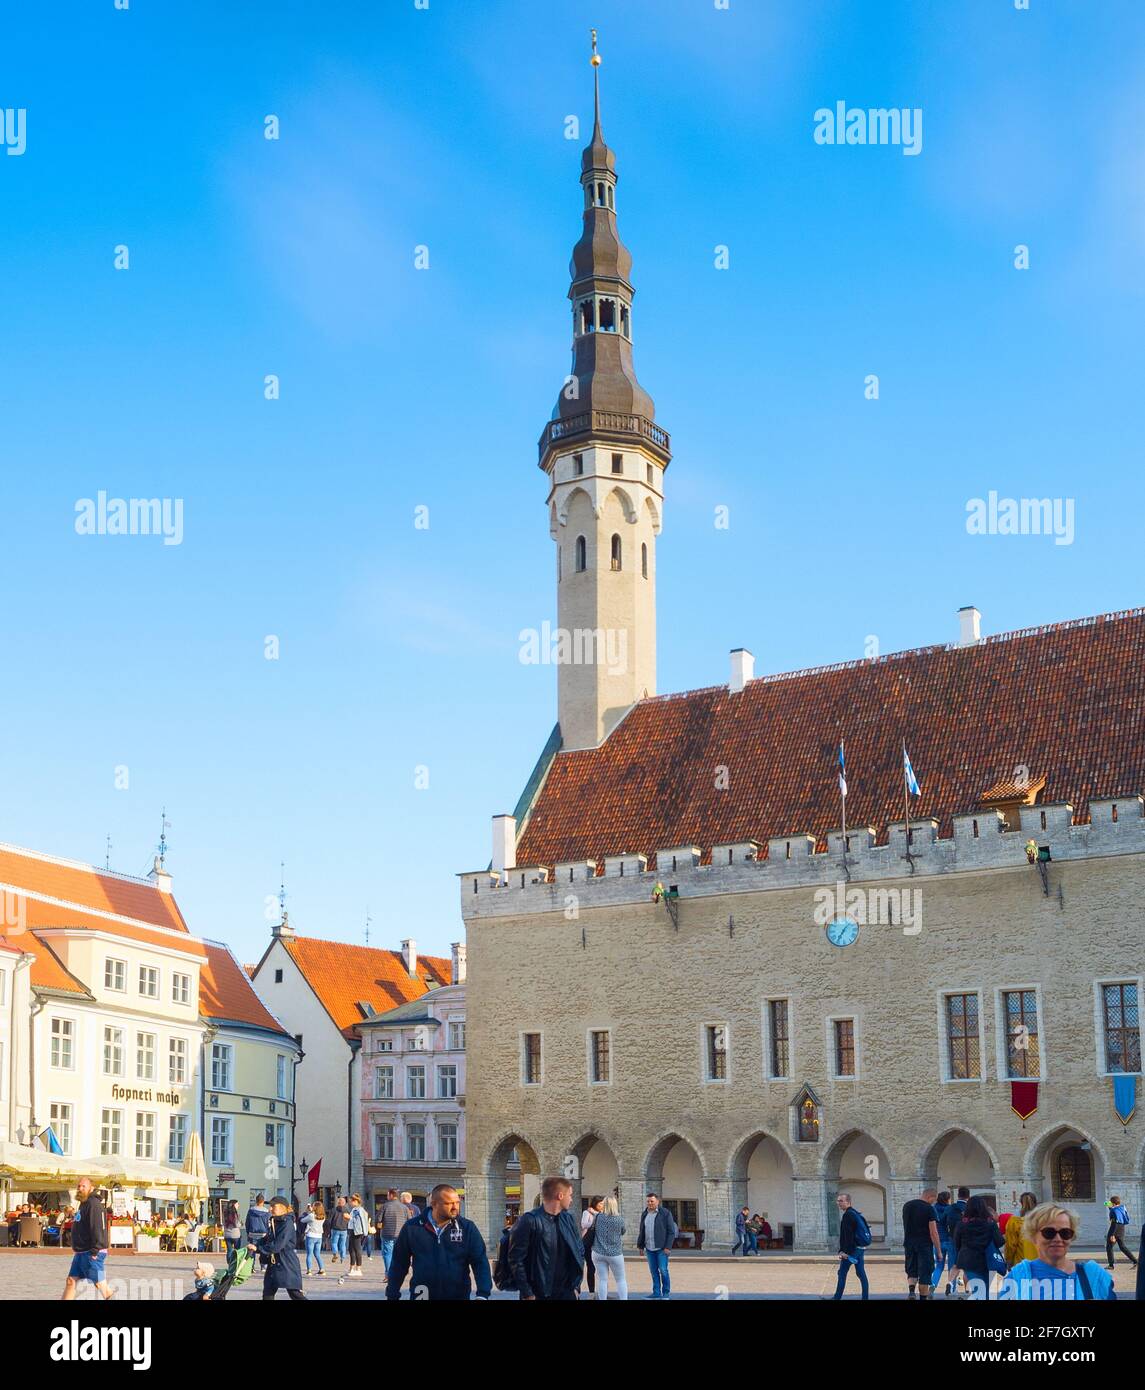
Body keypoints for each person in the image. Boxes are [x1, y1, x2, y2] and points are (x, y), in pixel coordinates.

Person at [385, 1184, 491, 1301]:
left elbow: (480, 1262)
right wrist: (392, 1293)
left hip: (457, 1294)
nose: (455, 1207)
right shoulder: (412, 1227)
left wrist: (482, 1294)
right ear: (434, 1204)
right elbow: (399, 1263)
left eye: (457, 1202)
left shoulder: (467, 1228)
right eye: (449, 1203)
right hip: (422, 1294)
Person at [1005, 1202, 1116, 1300]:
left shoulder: (1093, 1276)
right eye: (1049, 1233)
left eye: (1065, 1233)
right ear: (1033, 1236)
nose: (1058, 1239)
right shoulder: (1017, 1278)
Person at [508, 1175, 586, 1301]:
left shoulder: (568, 1219)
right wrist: (527, 1293)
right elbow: (516, 1259)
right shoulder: (529, 1220)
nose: (571, 1199)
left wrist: (576, 1287)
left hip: (567, 1292)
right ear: (560, 1196)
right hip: (538, 1293)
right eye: (570, 1195)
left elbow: (579, 1251)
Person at [62, 1177, 114, 1301]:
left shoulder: (94, 1204)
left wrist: (96, 1250)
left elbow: (98, 1227)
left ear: (91, 1188)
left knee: (101, 1285)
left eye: (83, 1186)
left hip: (92, 1252)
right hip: (81, 1253)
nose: (80, 1188)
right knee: (71, 1281)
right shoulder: (83, 1203)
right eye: (79, 1186)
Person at [952, 1194, 1004, 1300]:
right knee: (987, 1291)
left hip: (968, 1260)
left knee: (978, 1291)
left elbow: (956, 1244)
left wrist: (956, 1261)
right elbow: (999, 1242)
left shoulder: (961, 1224)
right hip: (987, 1260)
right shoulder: (991, 1224)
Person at [253, 1195, 306, 1301]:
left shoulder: (287, 1223)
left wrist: (259, 1249)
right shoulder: (275, 1221)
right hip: (274, 1263)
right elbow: (268, 1238)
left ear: (282, 1207)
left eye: (273, 1206)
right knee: (268, 1293)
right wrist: (255, 1245)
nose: (270, 1209)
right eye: (270, 1206)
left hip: (286, 1262)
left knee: (295, 1294)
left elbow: (278, 1244)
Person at [902, 1186, 944, 1299]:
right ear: (931, 1197)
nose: (934, 1202)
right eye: (934, 1200)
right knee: (925, 1273)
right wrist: (939, 1251)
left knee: (912, 1270)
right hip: (924, 1245)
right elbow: (933, 1232)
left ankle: (911, 1291)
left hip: (909, 1243)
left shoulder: (907, 1206)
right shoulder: (929, 1209)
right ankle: (923, 1297)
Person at [635, 1193, 678, 1300]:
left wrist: (668, 1247)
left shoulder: (665, 1213)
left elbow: (671, 1232)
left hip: (662, 1248)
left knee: (663, 1270)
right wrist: (640, 1246)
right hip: (649, 1248)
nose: (649, 1203)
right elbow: (642, 1231)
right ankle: (656, 1293)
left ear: (657, 1202)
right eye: (648, 1201)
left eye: (652, 1201)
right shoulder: (644, 1214)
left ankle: (666, 1293)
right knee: (653, 1271)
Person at [828, 1192, 870, 1300]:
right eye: (838, 1201)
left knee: (842, 1272)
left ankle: (836, 1298)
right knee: (861, 1274)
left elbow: (848, 1236)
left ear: (848, 1202)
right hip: (860, 1248)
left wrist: (845, 1252)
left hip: (853, 1250)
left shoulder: (848, 1215)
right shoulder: (855, 1213)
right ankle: (865, 1298)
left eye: (841, 1201)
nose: (838, 1203)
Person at [591, 1195, 627, 1300]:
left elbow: (593, 1228)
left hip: (598, 1252)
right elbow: (623, 1231)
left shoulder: (598, 1217)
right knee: (620, 1279)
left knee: (602, 1279)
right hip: (615, 1253)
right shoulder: (619, 1219)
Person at [942, 1186, 970, 1296]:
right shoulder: (969, 1208)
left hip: (952, 1239)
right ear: (968, 1196)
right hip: (966, 1240)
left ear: (958, 1195)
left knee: (954, 1264)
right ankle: (967, 1290)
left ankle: (951, 1284)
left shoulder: (950, 1208)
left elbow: (942, 1221)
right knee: (967, 1266)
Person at [1003, 1192, 1038, 1269]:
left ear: (1021, 1202)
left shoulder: (1015, 1221)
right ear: (1035, 1202)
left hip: (1022, 1261)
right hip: (1042, 1262)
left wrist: (1009, 1260)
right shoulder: (1044, 1219)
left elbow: (1011, 1244)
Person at [379, 1188, 409, 1274]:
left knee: (388, 1254)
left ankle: (388, 1273)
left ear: (391, 1195)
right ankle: (399, 1272)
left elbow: (378, 1219)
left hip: (387, 1233)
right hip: (401, 1234)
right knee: (399, 1254)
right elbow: (410, 1220)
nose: (387, 1196)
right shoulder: (404, 1207)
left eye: (387, 1194)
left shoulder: (385, 1206)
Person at [1105, 1196, 1138, 1271]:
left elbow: (1115, 1222)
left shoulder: (1114, 1211)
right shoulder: (1121, 1208)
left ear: (1113, 1203)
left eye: (1111, 1202)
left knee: (1109, 1247)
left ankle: (1111, 1265)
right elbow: (1119, 1216)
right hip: (1121, 1229)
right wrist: (1109, 1206)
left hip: (1114, 1229)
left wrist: (1112, 1235)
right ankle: (1135, 1261)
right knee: (1122, 1247)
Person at [580, 1196, 602, 1294]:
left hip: (600, 1243)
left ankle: (602, 1292)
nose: (602, 1206)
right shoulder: (587, 1212)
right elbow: (584, 1224)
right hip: (588, 1242)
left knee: (602, 1269)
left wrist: (597, 1215)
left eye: (603, 1204)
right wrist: (596, 1219)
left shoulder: (601, 1214)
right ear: (595, 1203)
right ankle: (591, 1292)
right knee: (591, 1267)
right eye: (600, 1204)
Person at [347, 1193, 369, 1277]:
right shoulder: (354, 1209)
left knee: (357, 1250)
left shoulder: (360, 1210)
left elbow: (363, 1221)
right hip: (352, 1231)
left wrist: (365, 1232)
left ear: (355, 1201)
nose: (350, 1203)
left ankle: (358, 1268)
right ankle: (351, 1268)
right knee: (351, 1250)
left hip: (358, 1231)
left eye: (351, 1201)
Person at [302, 1202, 325, 1276]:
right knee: (317, 1254)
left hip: (311, 1235)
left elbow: (302, 1220)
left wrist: (307, 1212)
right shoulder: (323, 1216)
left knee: (309, 1254)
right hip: (319, 1236)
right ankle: (322, 1269)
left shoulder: (311, 1216)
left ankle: (309, 1270)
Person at [328, 1195, 350, 1264]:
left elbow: (329, 1220)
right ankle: (342, 1257)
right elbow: (349, 1219)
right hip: (344, 1229)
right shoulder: (347, 1210)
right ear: (344, 1203)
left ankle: (335, 1253)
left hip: (335, 1229)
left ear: (338, 1202)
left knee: (334, 1242)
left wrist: (330, 1228)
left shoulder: (333, 1210)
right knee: (343, 1244)